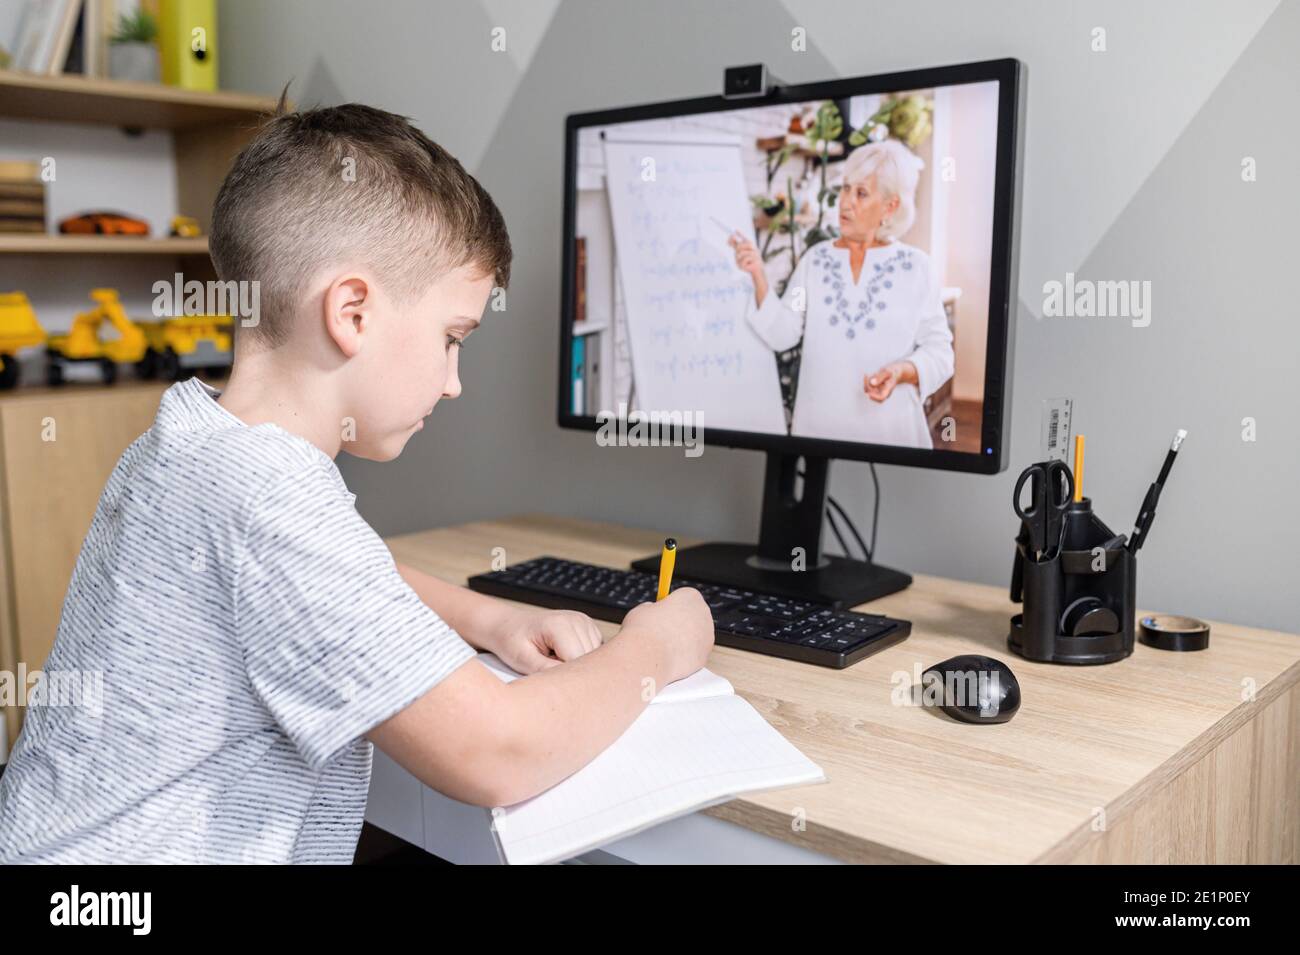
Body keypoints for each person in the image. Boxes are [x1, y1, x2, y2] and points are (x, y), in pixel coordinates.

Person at [0, 102, 714, 864]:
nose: (453, 383)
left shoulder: (194, 440)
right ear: (351, 312)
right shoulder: (272, 501)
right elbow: (497, 751)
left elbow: (332, 574)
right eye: (450, 339)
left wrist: (488, 617)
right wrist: (654, 650)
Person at [731, 139, 954, 447]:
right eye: (845, 188)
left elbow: (941, 354)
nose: (845, 202)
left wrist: (903, 371)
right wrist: (757, 273)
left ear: (890, 207)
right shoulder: (816, 261)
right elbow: (783, 333)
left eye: (861, 193)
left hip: (891, 437)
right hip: (818, 434)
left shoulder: (916, 268)